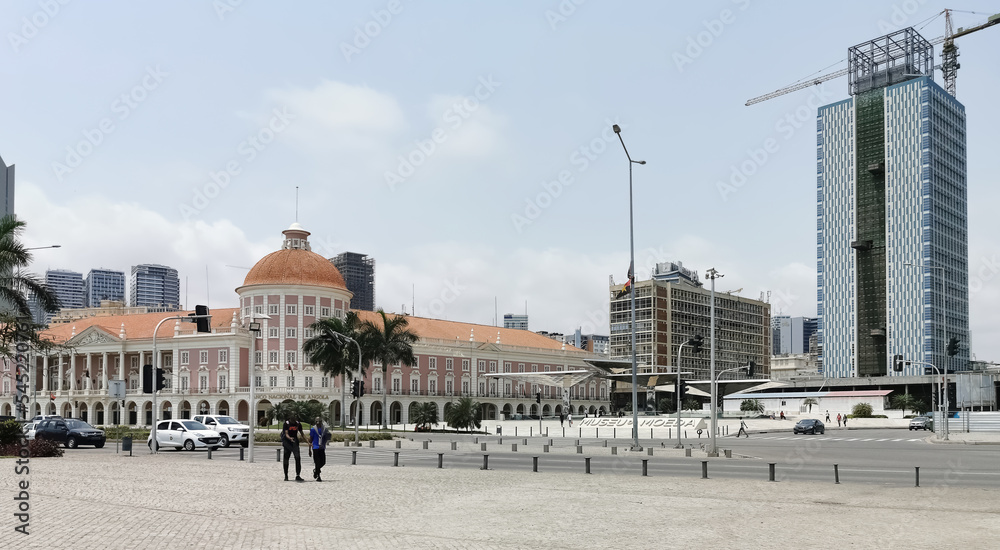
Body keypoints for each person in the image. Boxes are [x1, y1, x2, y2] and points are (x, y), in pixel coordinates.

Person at [281, 413, 306, 482]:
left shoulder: (298, 424)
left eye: (294, 420)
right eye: (292, 420)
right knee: (286, 458)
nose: (293, 421)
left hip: (295, 441)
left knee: (297, 457)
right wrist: (290, 438)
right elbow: (286, 434)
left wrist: (308, 442)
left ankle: (298, 475)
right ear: (290, 419)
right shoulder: (286, 424)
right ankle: (286, 475)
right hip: (287, 442)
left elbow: (302, 433)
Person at [309, 416, 331, 482]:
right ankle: (318, 476)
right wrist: (309, 449)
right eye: (317, 422)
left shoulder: (324, 429)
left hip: (322, 447)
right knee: (317, 462)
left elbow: (327, 436)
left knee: (323, 462)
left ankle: (316, 470)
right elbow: (310, 439)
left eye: (319, 422)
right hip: (315, 447)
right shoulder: (313, 429)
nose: (318, 423)